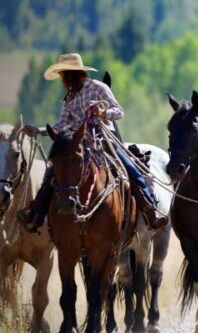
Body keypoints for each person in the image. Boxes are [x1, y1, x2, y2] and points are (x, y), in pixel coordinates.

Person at [16, 53, 168, 232]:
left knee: (130, 169)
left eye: (63, 75)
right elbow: (62, 125)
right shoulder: (69, 99)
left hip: (105, 142)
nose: (63, 79)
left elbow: (119, 111)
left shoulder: (98, 87)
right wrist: (39, 130)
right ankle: (36, 213)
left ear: (70, 74)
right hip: (79, 147)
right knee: (53, 173)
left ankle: (151, 211)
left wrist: (102, 112)